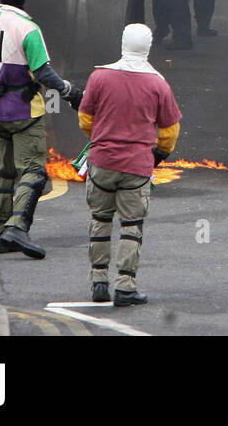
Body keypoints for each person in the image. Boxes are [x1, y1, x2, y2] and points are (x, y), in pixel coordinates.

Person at [0, 0, 83, 259]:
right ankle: (18, 226)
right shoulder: (28, 28)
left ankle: (1, 232)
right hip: (24, 112)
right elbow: (44, 72)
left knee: (4, 172)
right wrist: (70, 91)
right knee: (33, 170)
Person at [76, 24, 181, 306]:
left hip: (102, 162)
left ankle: (98, 281)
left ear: (122, 43)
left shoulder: (99, 77)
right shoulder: (158, 84)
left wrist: (100, 139)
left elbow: (86, 119)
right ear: (148, 47)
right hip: (136, 166)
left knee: (100, 220)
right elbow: (170, 131)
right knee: (131, 226)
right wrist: (158, 154)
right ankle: (125, 285)